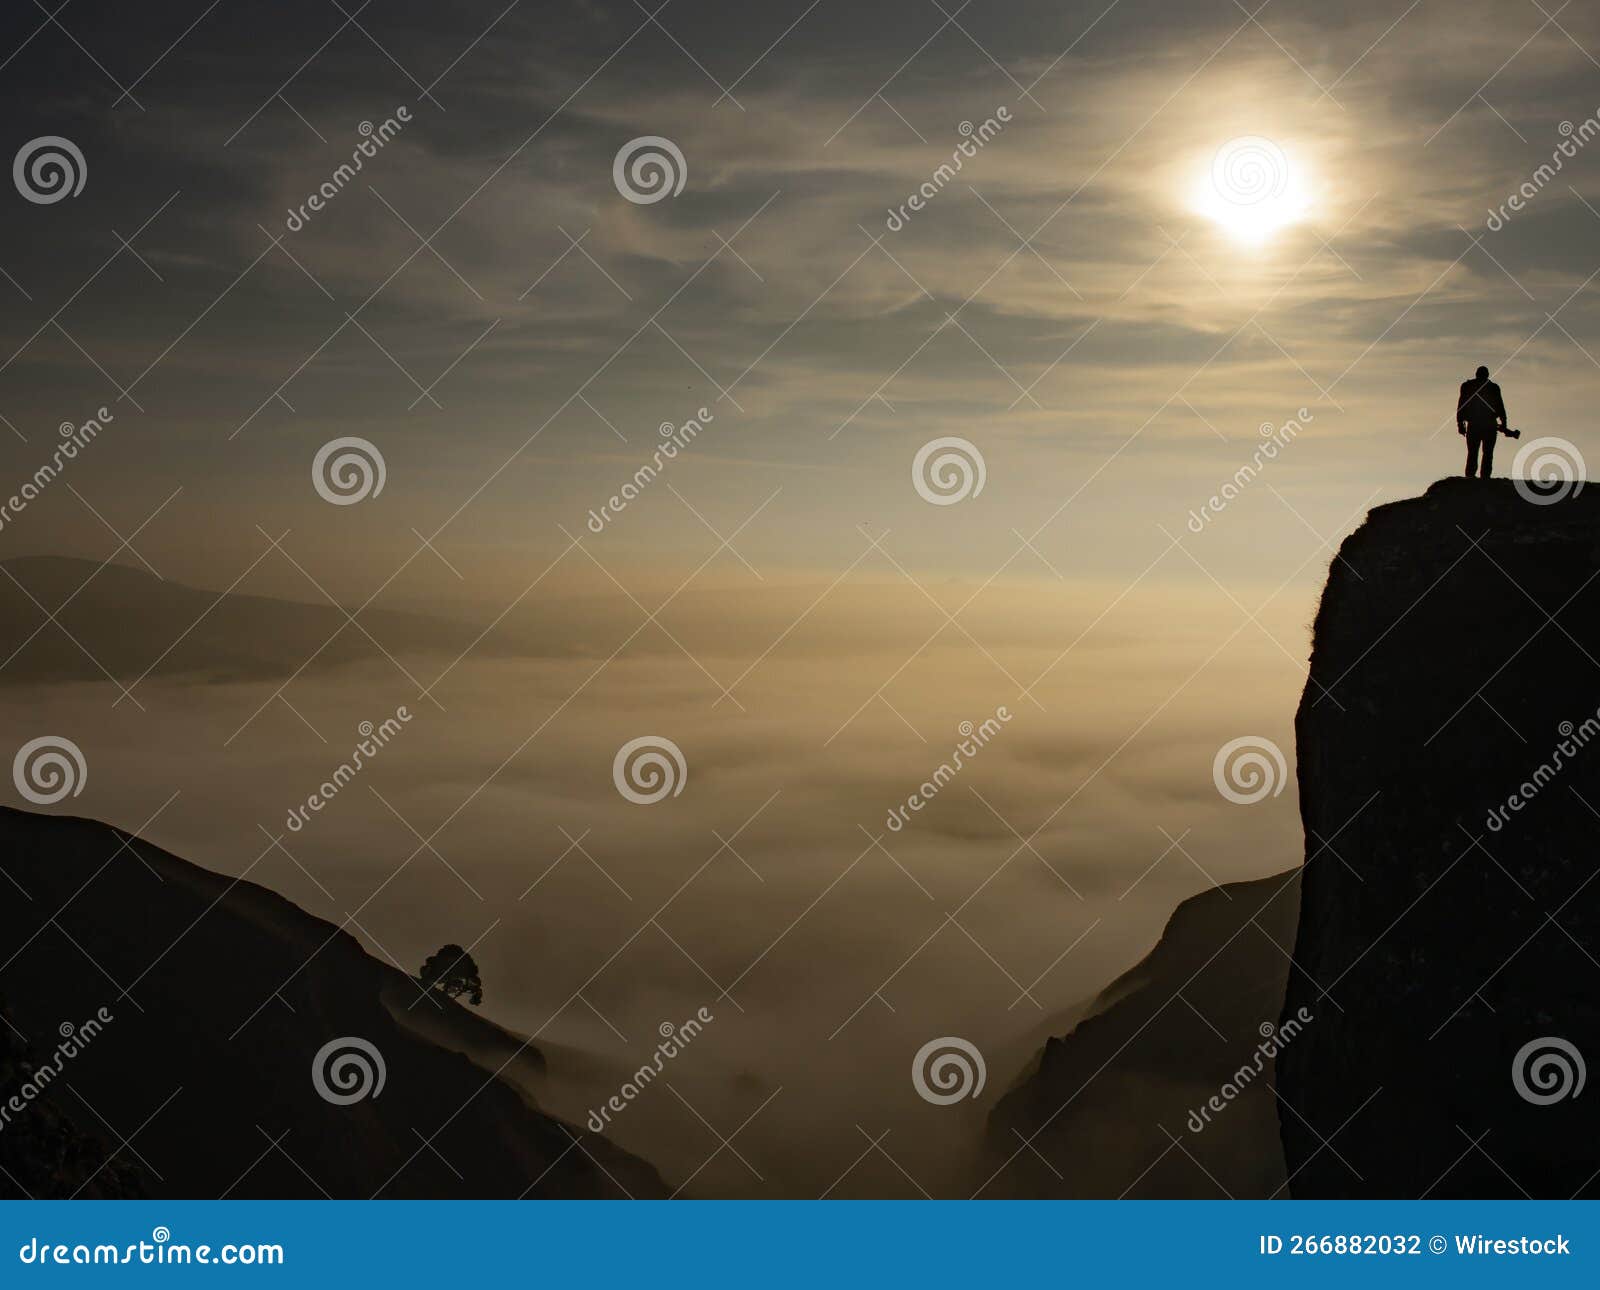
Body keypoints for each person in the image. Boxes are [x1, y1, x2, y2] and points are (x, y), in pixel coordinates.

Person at [1457, 365, 1508, 478]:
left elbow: (1461, 406)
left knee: (1477, 453)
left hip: (1479, 425)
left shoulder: (1469, 386)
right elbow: (1500, 407)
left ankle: (1475, 477)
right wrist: (1504, 423)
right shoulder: (1492, 387)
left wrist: (1460, 424)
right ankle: (1480, 477)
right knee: (1484, 453)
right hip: (1484, 425)